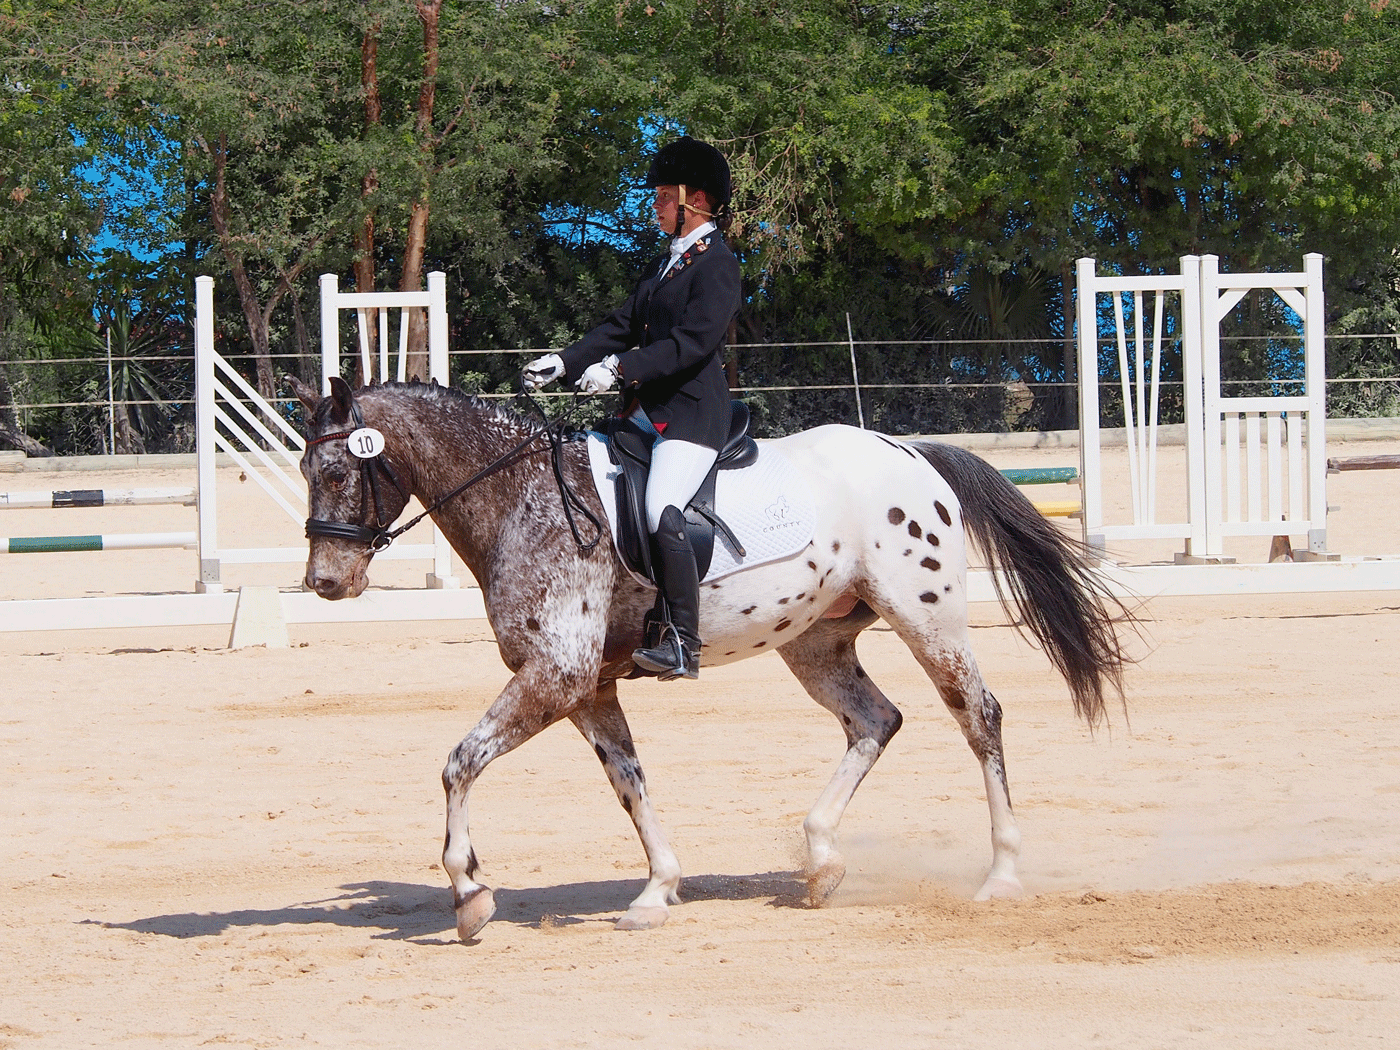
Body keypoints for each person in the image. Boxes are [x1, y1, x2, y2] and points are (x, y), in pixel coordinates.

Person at [523, 136, 742, 681]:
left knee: (660, 505)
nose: (655, 206)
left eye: (664, 197)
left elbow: (691, 343)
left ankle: (682, 642)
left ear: (694, 201)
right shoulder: (665, 263)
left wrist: (621, 369)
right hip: (646, 413)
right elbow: (622, 324)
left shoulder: (717, 265)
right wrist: (566, 362)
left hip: (692, 415)